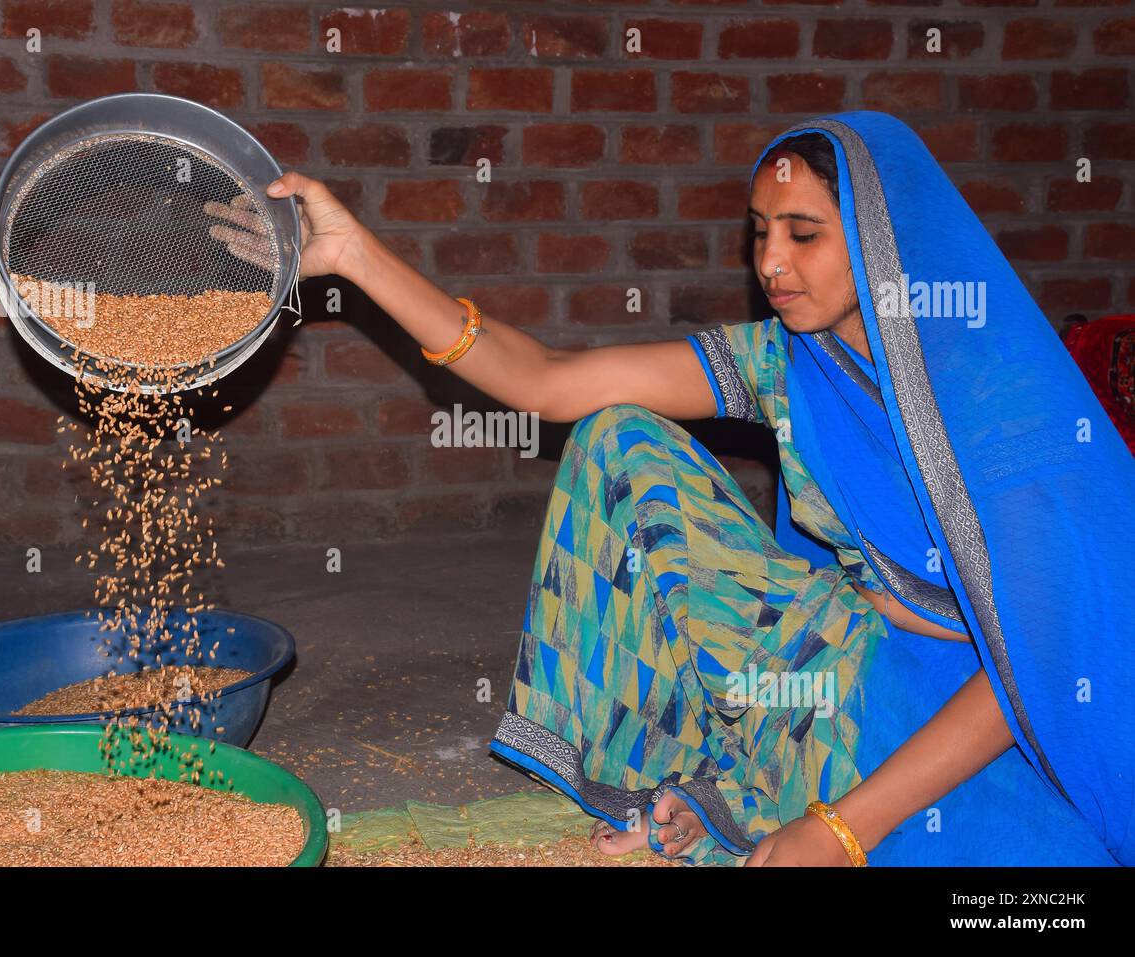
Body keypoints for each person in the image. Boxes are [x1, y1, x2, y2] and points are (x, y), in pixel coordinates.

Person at [208, 110, 1134, 866]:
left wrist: (846, 828)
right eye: (761, 234)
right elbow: (548, 384)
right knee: (619, 443)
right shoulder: (788, 361)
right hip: (843, 649)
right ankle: (717, 781)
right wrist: (357, 258)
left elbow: (1038, 662)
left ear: (887, 239)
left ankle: (769, 793)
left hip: (991, 699)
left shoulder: (991, 398)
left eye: (805, 235)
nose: (771, 264)